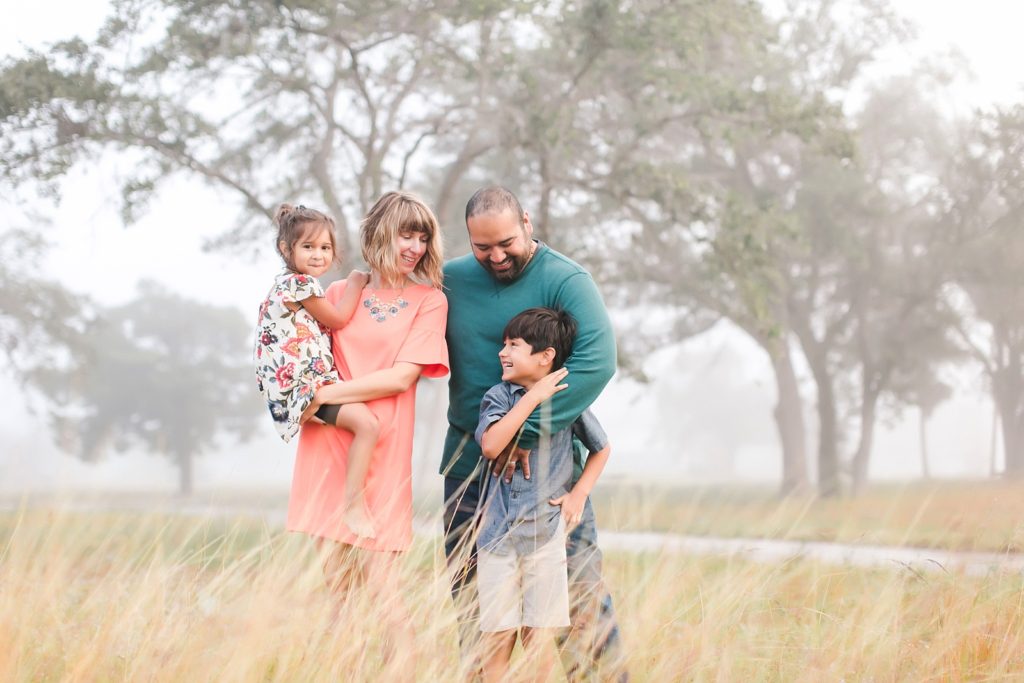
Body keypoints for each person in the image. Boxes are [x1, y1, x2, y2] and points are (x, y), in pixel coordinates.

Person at [442, 185, 628, 680]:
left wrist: (525, 435)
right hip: (467, 470)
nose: (497, 256)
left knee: (579, 601)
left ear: (526, 221)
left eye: (506, 242)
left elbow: (595, 365)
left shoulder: (566, 279)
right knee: (480, 613)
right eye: (483, 247)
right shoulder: (451, 280)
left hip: (547, 476)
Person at [287, 191, 448, 670]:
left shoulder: (429, 300)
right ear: (379, 232)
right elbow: (299, 356)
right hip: (327, 444)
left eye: (423, 237)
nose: (415, 246)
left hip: (383, 451)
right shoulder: (336, 294)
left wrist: (323, 396)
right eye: (406, 234)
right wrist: (304, 400)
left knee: (384, 593)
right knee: (339, 596)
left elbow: (402, 377)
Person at [474, 308, 612, 683]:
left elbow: (601, 448)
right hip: (495, 540)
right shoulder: (498, 397)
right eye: (503, 344)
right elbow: (491, 445)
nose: (503, 352)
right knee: (497, 636)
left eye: (514, 345)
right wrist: (533, 395)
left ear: (546, 356)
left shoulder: (566, 401)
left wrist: (578, 494)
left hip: (545, 538)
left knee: (538, 637)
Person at [253, 203, 378, 537]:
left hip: (298, 387)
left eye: (325, 248)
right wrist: (354, 283)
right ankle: (353, 506)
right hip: (303, 386)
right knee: (367, 425)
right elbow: (337, 319)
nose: (318, 255)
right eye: (308, 247)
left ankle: (343, 507)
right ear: (285, 248)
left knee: (357, 428)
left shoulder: (287, 285)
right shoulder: (299, 285)